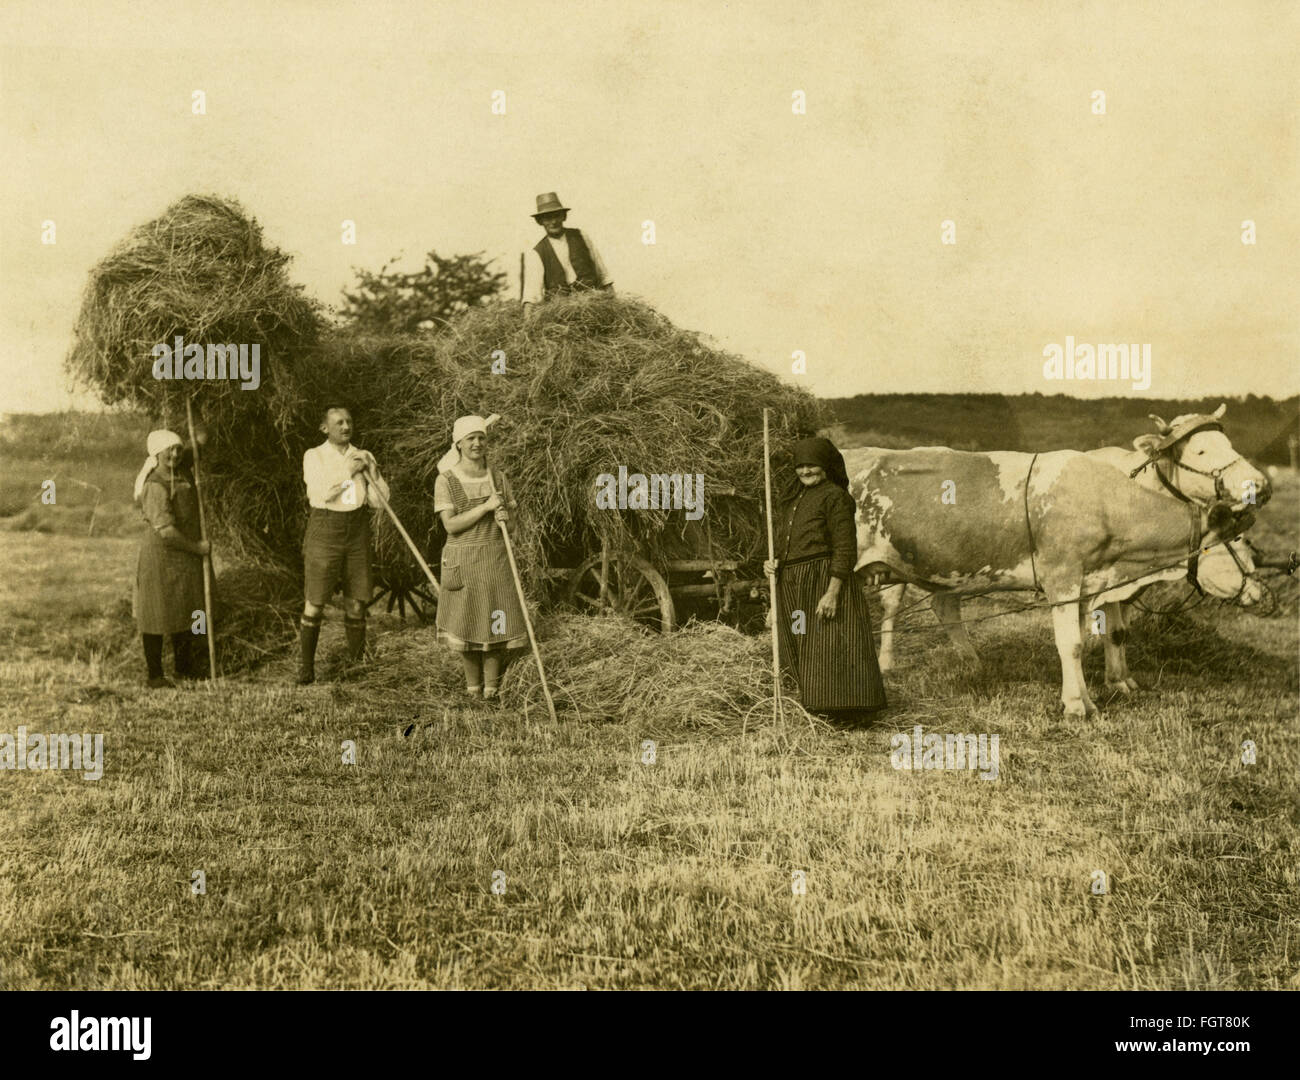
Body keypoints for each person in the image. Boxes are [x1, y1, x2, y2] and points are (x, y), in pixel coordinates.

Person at [763, 437, 886, 718]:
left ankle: (845, 712)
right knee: (799, 639)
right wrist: (772, 564)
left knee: (828, 645)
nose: (806, 471)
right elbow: (784, 544)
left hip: (823, 579)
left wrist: (832, 593)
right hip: (793, 581)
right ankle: (808, 705)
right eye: (801, 466)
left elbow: (844, 548)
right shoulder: (792, 499)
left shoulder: (836, 497)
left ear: (826, 466)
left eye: (812, 465)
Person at [434, 415, 527, 700]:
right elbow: (450, 525)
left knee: (494, 625)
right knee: (468, 627)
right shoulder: (446, 480)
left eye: (481, 438)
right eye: (470, 438)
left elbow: (512, 527)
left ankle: (492, 689)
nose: (477, 443)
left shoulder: (498, 477)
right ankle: (472, 690)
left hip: (496, 557)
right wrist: (486, 507)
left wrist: (505, 516)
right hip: (463, 558)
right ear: (458, 444)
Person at [298, 405, 390, 685]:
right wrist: (347, 472)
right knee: (315, 602)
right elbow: (319, 493)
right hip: (325, 528)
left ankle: (355, 668)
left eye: (349, 421)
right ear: (325, 428)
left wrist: (372, 472)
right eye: (339, 423)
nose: (346, 427)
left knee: (356, 601)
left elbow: (380, 502)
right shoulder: (314, 456)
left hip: (357, 530)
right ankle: (306, 670)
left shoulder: (364, 456)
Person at [132, 429, 210, 688]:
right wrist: (197, 548)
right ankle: (155, 675)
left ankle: (184, 668)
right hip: (162, 555)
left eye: (178, 450)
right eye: (170, 451)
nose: (175, 455)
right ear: (157, 454)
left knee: (186, 611)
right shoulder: (155, 484)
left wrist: (200, 408)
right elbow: (166, 531)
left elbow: (199, 441)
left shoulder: (180, 469)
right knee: (155, 614)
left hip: (184, 556)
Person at [522, 192, 613, 314]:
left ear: (564, 216)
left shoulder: (581, 236)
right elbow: (532, 295)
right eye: (548, 218)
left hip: (593, 306)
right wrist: (527, 328)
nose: (553, 221)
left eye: (556, 215)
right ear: (540, 222)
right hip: (562, 314)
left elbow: (603, 275)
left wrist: (615, 306)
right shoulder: (538, 252)